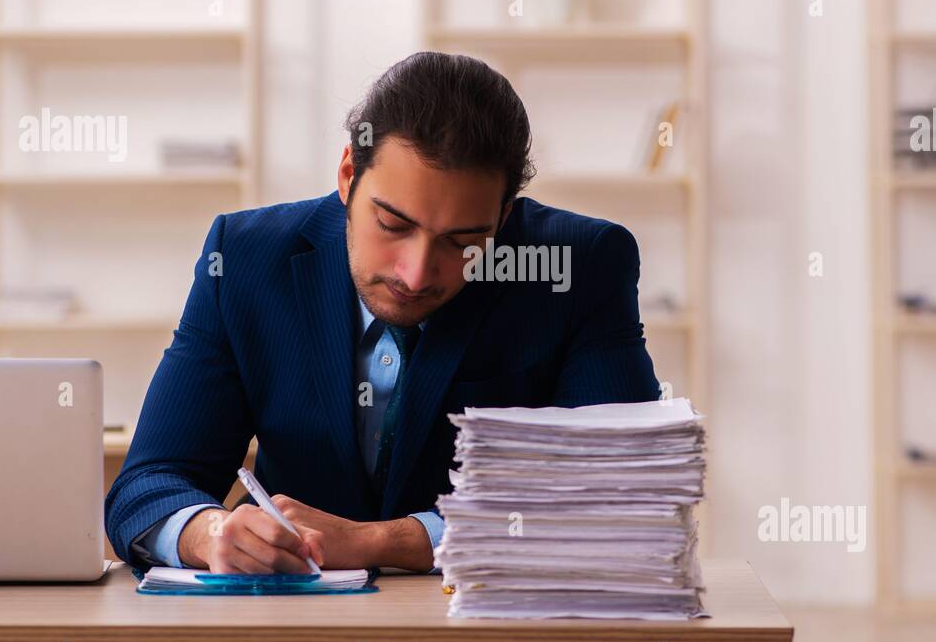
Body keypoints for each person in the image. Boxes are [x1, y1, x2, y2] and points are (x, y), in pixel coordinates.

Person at [104, 51, 661, 575]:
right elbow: (148, 484)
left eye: (463, 241)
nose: (416, 273)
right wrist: (212, 533)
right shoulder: (246, 258)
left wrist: (383, 541)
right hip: (291, 635)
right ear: (348, 174)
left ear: (504, 216)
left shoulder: (580, 267)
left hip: (491, 641)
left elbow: (616, 498)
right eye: (393, 225)